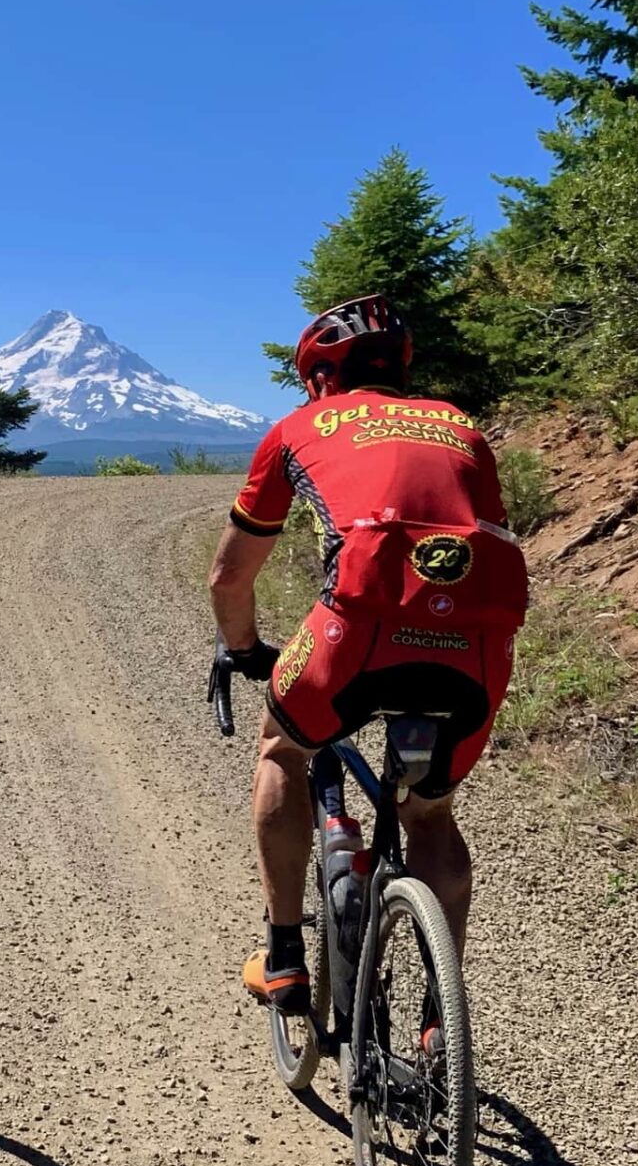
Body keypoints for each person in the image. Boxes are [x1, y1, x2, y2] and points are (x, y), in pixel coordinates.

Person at [206, 294, 528, 1015]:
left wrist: (243, 648)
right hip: (476, 649)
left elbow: (229, 575)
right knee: (430, 816)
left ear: (321, 376)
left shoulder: (298, 427)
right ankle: (442, 1025)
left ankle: (285, 955)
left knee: (282, 752)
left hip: (358, 637)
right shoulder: (462, 429)